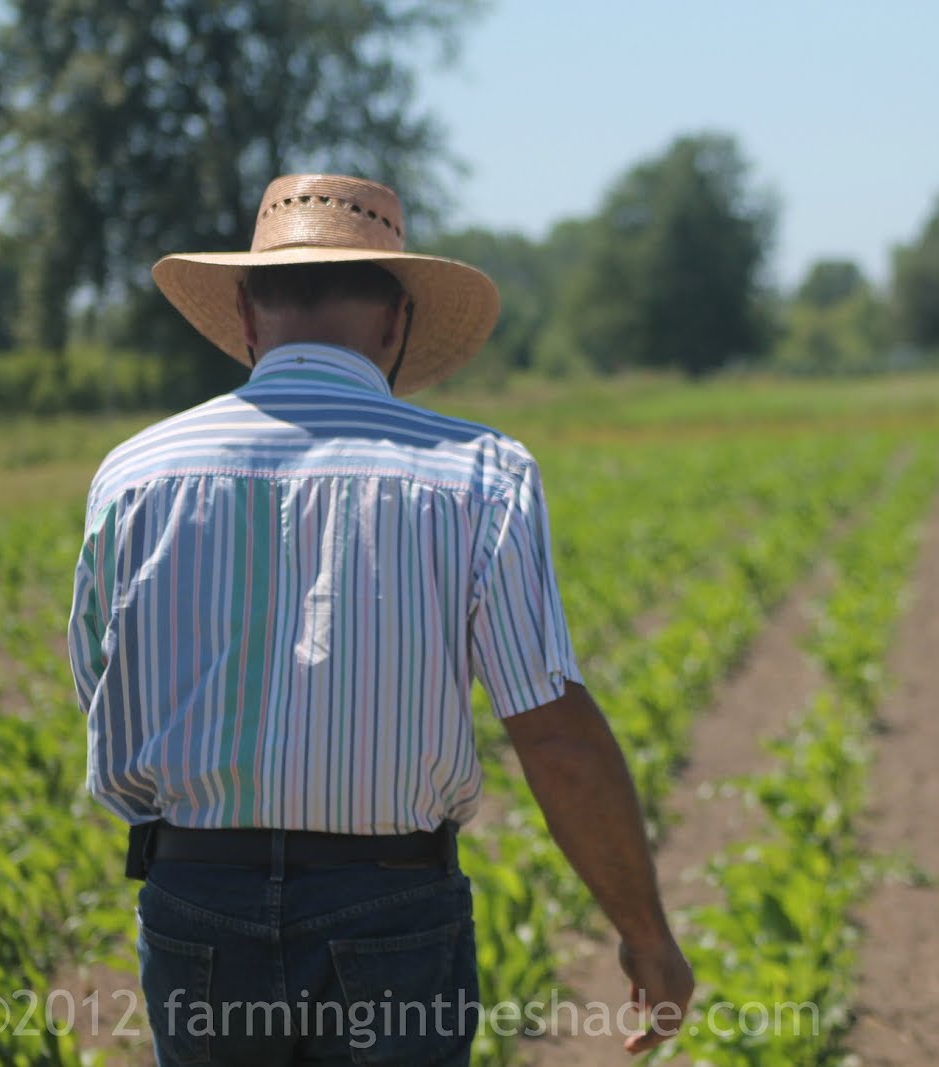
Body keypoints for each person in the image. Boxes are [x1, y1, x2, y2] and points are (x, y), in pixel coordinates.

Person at [67, 173, 693, 1066]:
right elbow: (552, 734)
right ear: (396, 321)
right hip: (393, 901)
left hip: (194, 888)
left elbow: (100, 677)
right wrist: (643, 931)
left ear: (246, 314)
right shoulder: (479, 472)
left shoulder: (133, 472)